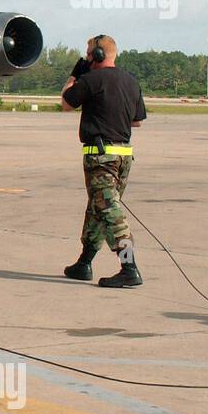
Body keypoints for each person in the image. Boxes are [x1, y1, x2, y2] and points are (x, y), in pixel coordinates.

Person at [60, 34, 146, 288]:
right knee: (98, 210)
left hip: (101, 158)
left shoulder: (90, 79)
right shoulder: (130, 81)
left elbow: (66, 103)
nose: (86, 59)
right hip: (123, 157)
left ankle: (129, 267)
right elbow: (137, 121)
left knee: (110, 212)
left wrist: (74, 77)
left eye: (88, 55)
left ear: (97, 56)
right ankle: (84, 263)